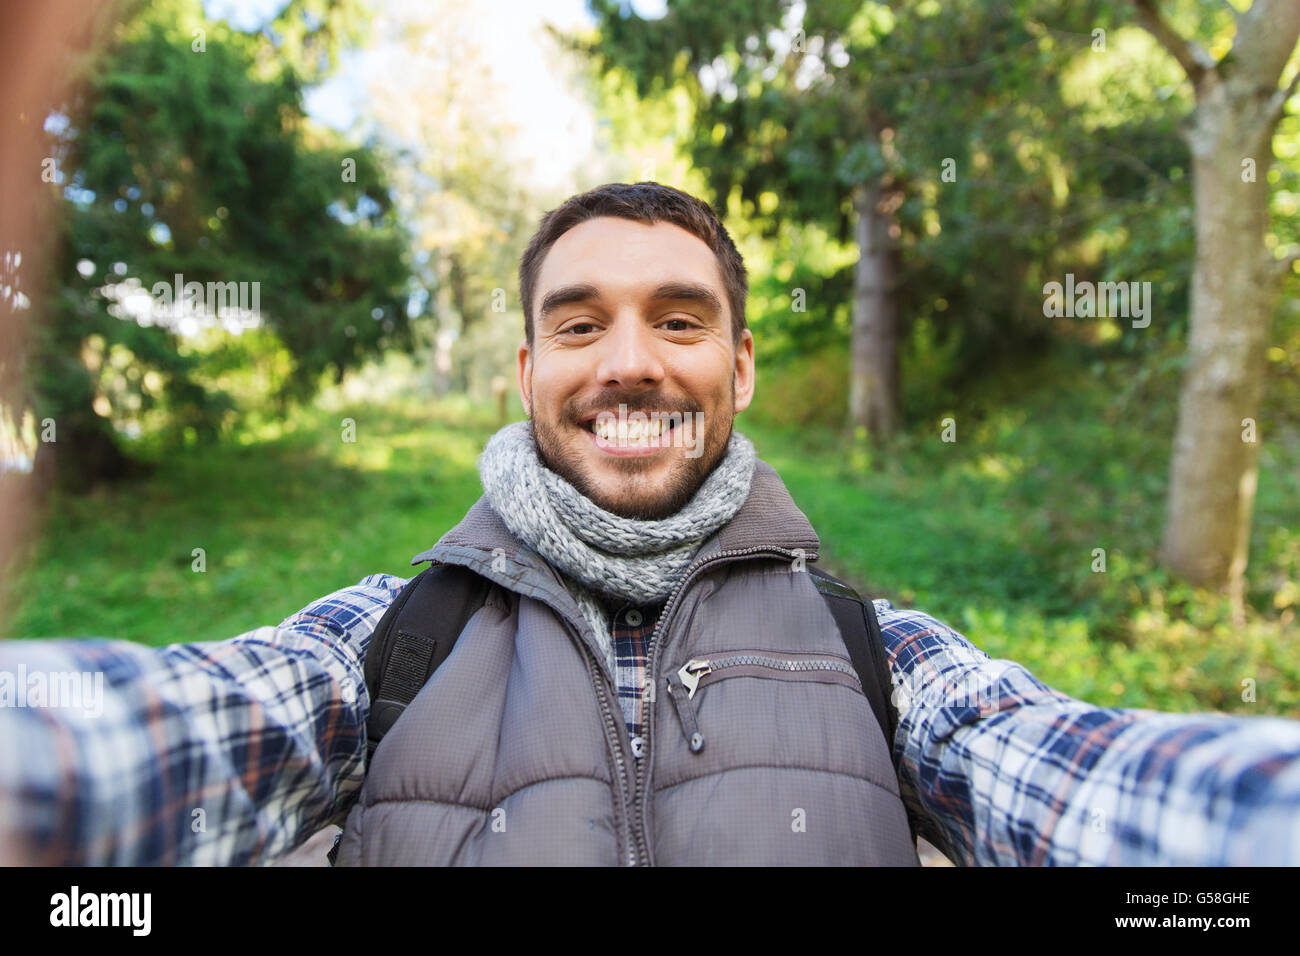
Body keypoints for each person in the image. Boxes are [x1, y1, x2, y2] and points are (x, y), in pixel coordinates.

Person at [2, 182, 1299, 866]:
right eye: (580, 323)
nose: (630, 362)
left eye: (679, 320)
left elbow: (1074, 775)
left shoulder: (879, 654)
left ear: (737, 372)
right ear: (526, 374)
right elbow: (172, 729)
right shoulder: (387, 638)